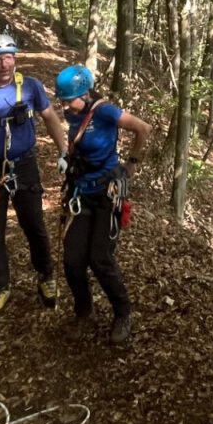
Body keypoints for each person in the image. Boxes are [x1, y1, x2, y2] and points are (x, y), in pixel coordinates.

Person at [0, 33, 66, 318]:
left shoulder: (31, 87)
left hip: (23, 164)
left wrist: (63, 151)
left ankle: (46, 275)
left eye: (8, 58)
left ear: (15, 59)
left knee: (33, 224)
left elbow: (50, 118)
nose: (4, 65)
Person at [53, 64, 150, 347]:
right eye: (61, 101)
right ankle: (84, 312)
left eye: (68, 100)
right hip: (81, 193)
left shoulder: (105, 111)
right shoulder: (73, 113)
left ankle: (123, 313)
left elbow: (143, 129)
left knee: (100, 259)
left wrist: (131, 163)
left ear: (84, 93)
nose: (65, 106)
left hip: (107, 194)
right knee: (72, 259)